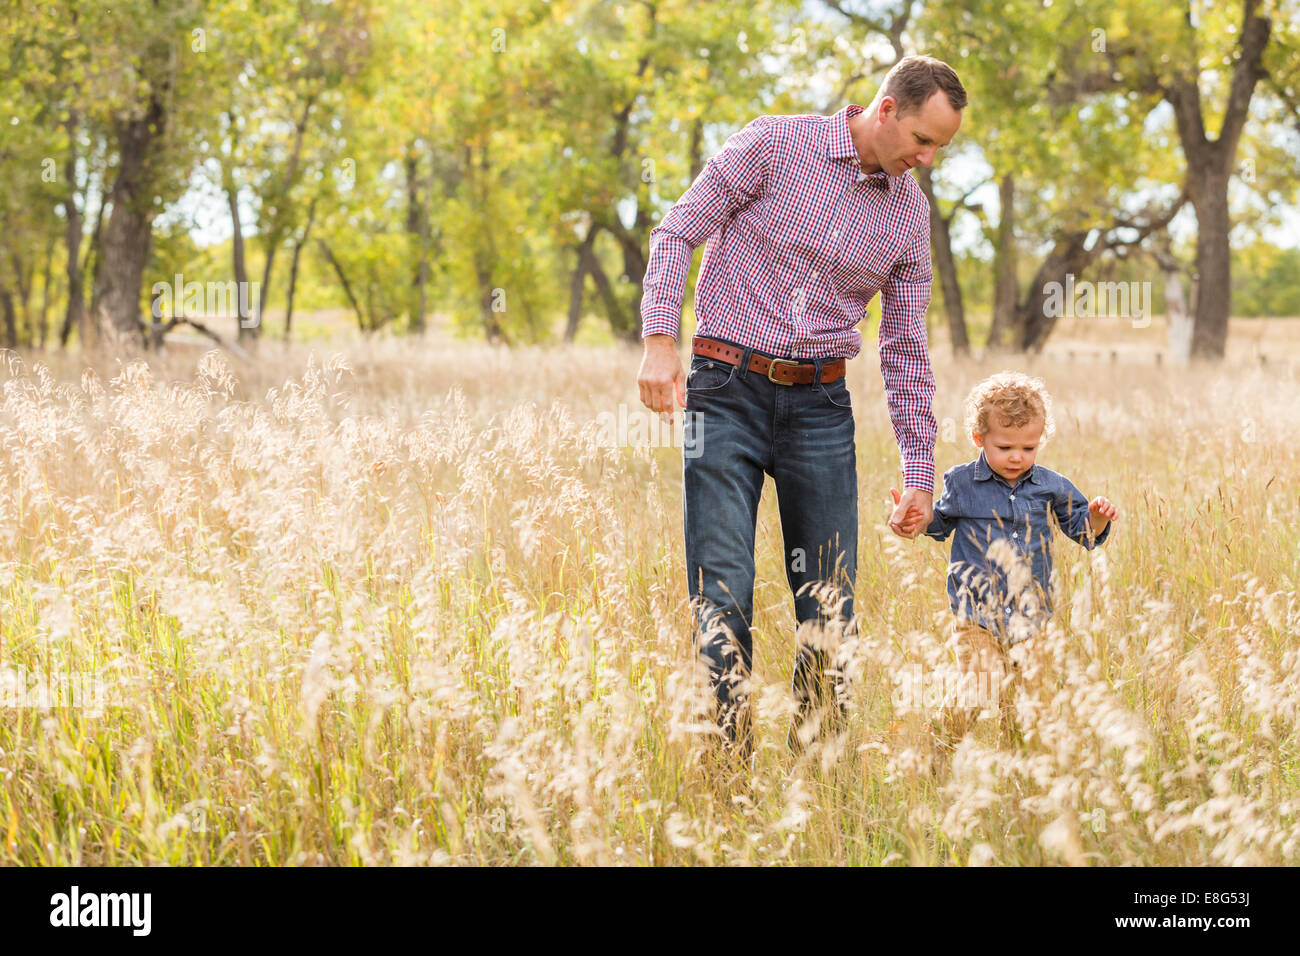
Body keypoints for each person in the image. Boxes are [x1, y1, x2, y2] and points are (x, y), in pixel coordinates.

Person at [635, 55, 967, 768]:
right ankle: (728, 769)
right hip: (724, 390)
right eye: (923, 139)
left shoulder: (909, 213)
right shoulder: (774, 144)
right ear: (886, 110)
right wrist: (662, 342)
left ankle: (817, 773)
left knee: (830, 599)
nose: (928, 159)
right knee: (721, 586)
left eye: (940, 147)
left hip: (820, 405)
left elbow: (906, 347)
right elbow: (675, 232)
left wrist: (918, 467)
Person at [890, 371, 1118, 745]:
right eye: (1006, 447)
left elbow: (1083, 531)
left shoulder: (1051, 486)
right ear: (980, 439)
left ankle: (1017, 768)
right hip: (975, 614)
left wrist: (1097, 516)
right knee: (980, 686)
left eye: (1028, 449)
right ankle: (938, 749)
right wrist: (918, 517)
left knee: (1024, 704)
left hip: (1032, 616)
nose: (1017, 457)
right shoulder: (962, 483)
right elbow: (940, 522)